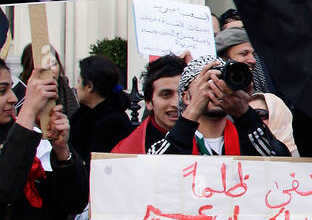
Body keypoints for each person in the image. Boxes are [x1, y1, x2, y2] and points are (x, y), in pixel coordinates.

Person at [0, 65, 86, 220]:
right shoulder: (23, 131)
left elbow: (74, 202)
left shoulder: (29, 134)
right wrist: (28, 109)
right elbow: (6, 187)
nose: (13, 98)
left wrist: (62, 150)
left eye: (10, 88)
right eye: (1, 91)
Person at [148, 56, 290, 157]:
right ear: (186, 97)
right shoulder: (170, 142)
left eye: (222, 80)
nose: (217, 87)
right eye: (208, 81)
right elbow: (158, 169)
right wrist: (193, 110)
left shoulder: (247, 136)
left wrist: (244, 114)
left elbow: (277, 163)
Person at [111, 54, 185, 154]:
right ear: (148, 101)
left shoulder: (207, 142)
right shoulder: (124, 154)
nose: (176, 103)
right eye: (166, 94)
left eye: (183, 94)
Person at [68, 54, 132, 163]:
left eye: (79, 82)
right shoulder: (84, 114)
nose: (76, 87)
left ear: (89, 86)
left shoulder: (113, 123)